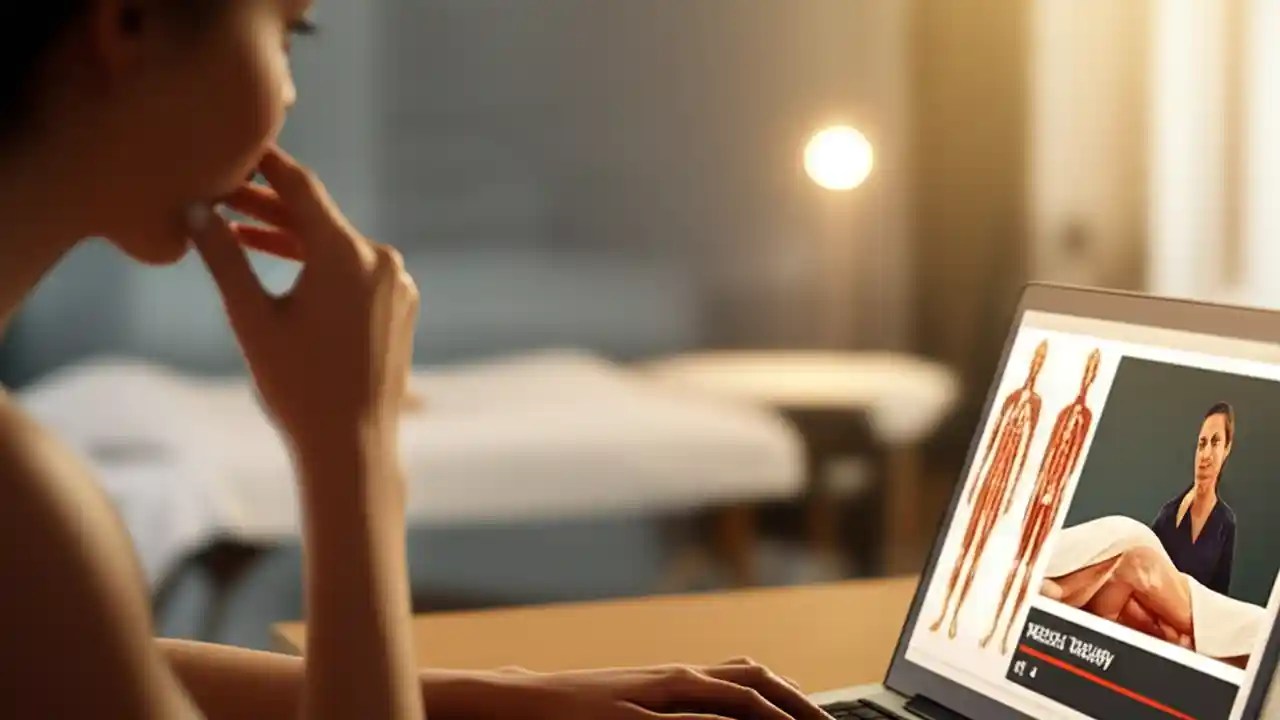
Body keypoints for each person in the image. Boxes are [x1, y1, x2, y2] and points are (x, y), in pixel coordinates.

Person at [0, 2, 831, 718]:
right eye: (291, 33)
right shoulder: (26, 502)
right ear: (130, 21)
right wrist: (350, 449)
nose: (288, 94)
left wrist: (504, 700)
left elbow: (82, 669)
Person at [1151, 402, 1238, 596]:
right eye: (1202, 443)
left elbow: (1219, 596)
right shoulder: (1168, 515)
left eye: (1215, 443)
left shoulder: (1226, 524)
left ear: (1227, 449)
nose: (1205, 455)